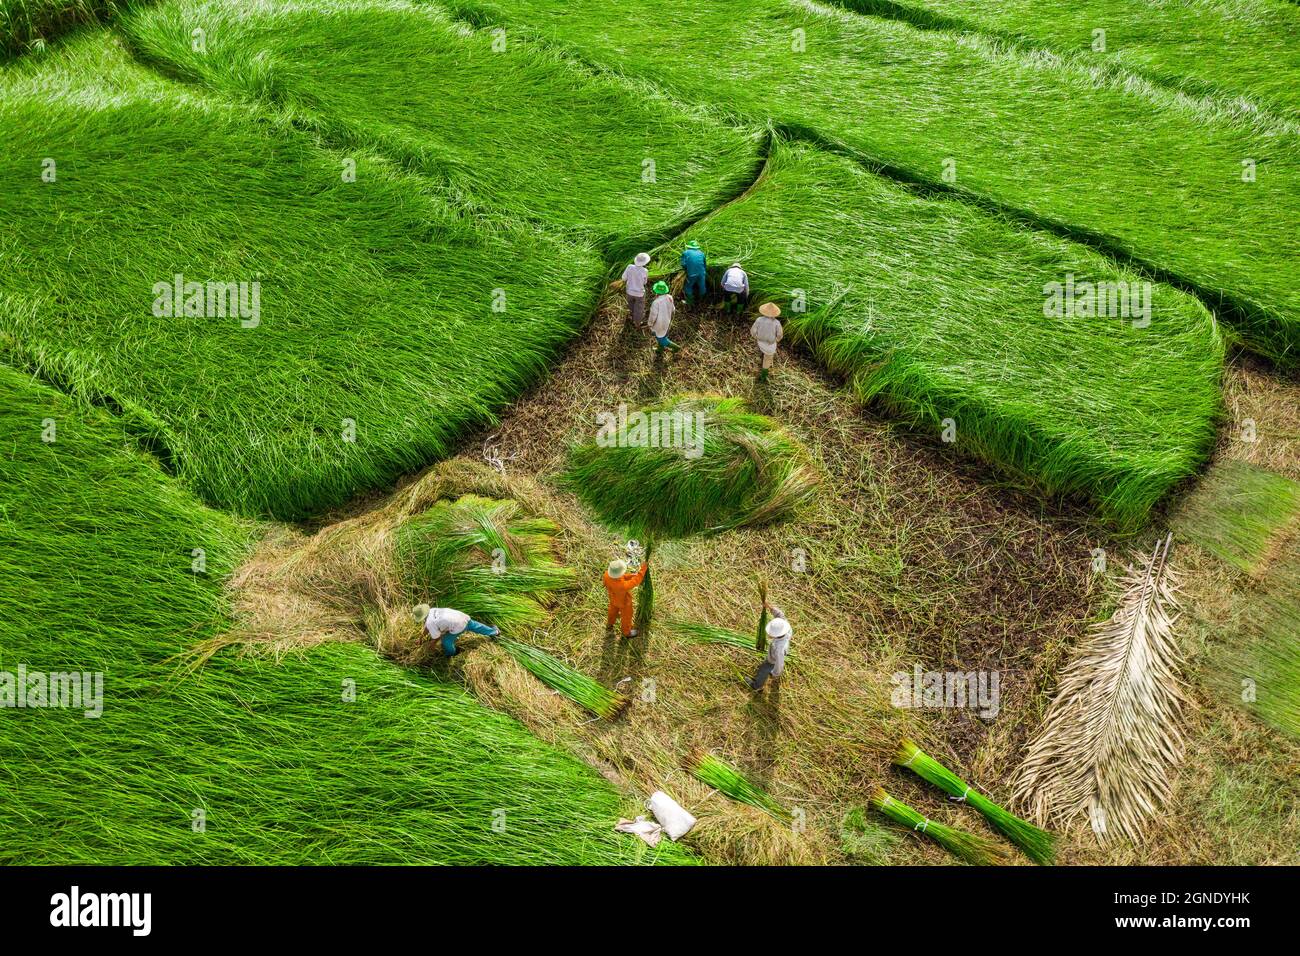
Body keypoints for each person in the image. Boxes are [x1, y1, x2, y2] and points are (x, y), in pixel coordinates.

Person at [414, 603, 498, 657]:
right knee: (476, 626)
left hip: (458, 626)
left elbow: (437, 637)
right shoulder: (432, 610)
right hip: (462, 616)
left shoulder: (430, 622)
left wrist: (432, 646)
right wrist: (421, 637)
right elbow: (427, 627)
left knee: (446, 641)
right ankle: (494, 632)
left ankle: (452, 654)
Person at [749, 603, 790, 691]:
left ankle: (757, 686)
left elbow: (779, 663)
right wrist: (770, 607)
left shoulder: (780, 649)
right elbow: (780, 615)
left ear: (776, 635)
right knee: (764, 666)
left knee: (764, 669)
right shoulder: (784, 625)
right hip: (775, 653)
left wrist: (775, 674)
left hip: (773, 660)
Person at [603, 558, 647, 639]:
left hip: (613, 599)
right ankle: (627, 632)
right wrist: (643, 568)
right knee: (626, 617)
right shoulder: (623, 586)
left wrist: (632, 575)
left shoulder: (606, 575)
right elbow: (636, 581)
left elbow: (622, 577)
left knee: (612, 611)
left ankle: (610, 623)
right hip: (624, 603)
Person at [749, 302, 784, 381]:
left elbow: (753, 330)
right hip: (770, 345)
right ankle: (763, 376)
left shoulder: (759, 320)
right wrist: (776, 340)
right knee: (767, 359)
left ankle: (761, 356)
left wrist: (755, 337)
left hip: (760, 341)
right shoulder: (776, 323)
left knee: (762, 352)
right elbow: (780, 335)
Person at [648, 280, 681, 352]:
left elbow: (653, 316)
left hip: (659, 323)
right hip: (667, 320)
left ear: (656, 292)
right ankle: (660, 349)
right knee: (663, 334)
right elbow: (673, 309)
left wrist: (650, 324)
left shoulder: (656, 303)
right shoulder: (669, 297)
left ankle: (676, 347)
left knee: (661, 338)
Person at [621, 252, 650, 326]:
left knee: (630, 304)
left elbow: (623, 278)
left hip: (629, 292)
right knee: (639, 308)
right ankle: (637, 322)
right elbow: (645, 282)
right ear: (644, 263)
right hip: (639, 294)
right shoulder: (645, 271)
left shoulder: (629, 267)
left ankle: (631, 316)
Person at [680, 240, 707, 307]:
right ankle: (702, 301)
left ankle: (690, 302)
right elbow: (705, 264)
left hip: (692, 273)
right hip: (702, 273)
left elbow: (683, 264)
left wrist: (686, 269)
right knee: (702, 286)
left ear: (689, 246)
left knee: (688, 287)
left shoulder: (685, 253)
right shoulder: (701, 253)